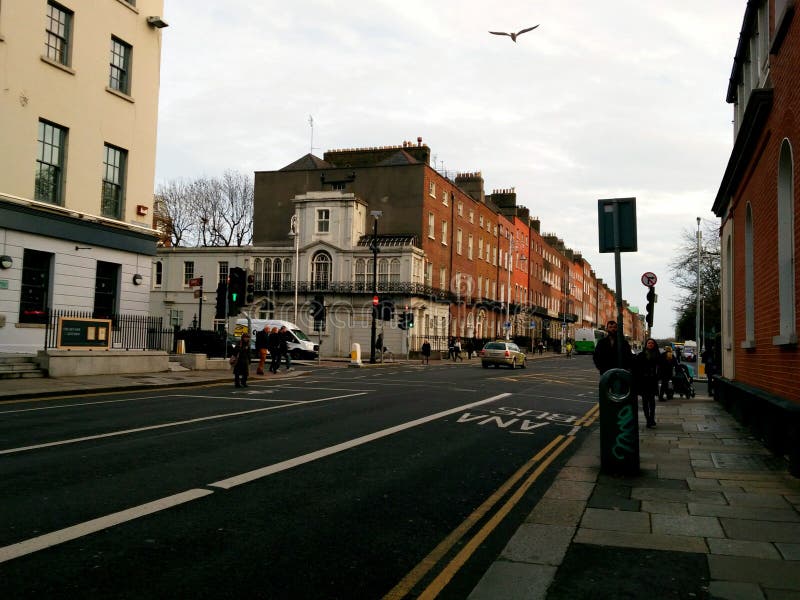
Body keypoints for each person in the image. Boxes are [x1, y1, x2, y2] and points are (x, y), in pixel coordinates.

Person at [635, 338, 661, 428]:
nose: (650, 344)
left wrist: (658, 376)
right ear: (646, 344)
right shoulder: (641, 355)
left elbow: (661, 367)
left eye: (652, 343)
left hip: (652, 380)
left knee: (652, 401)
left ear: (654, 345)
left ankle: (652, 418)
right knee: (645, 401)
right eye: (649, 343)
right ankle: (648, 420)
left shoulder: (657, 355)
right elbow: (636, 367)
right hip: (644, 381)